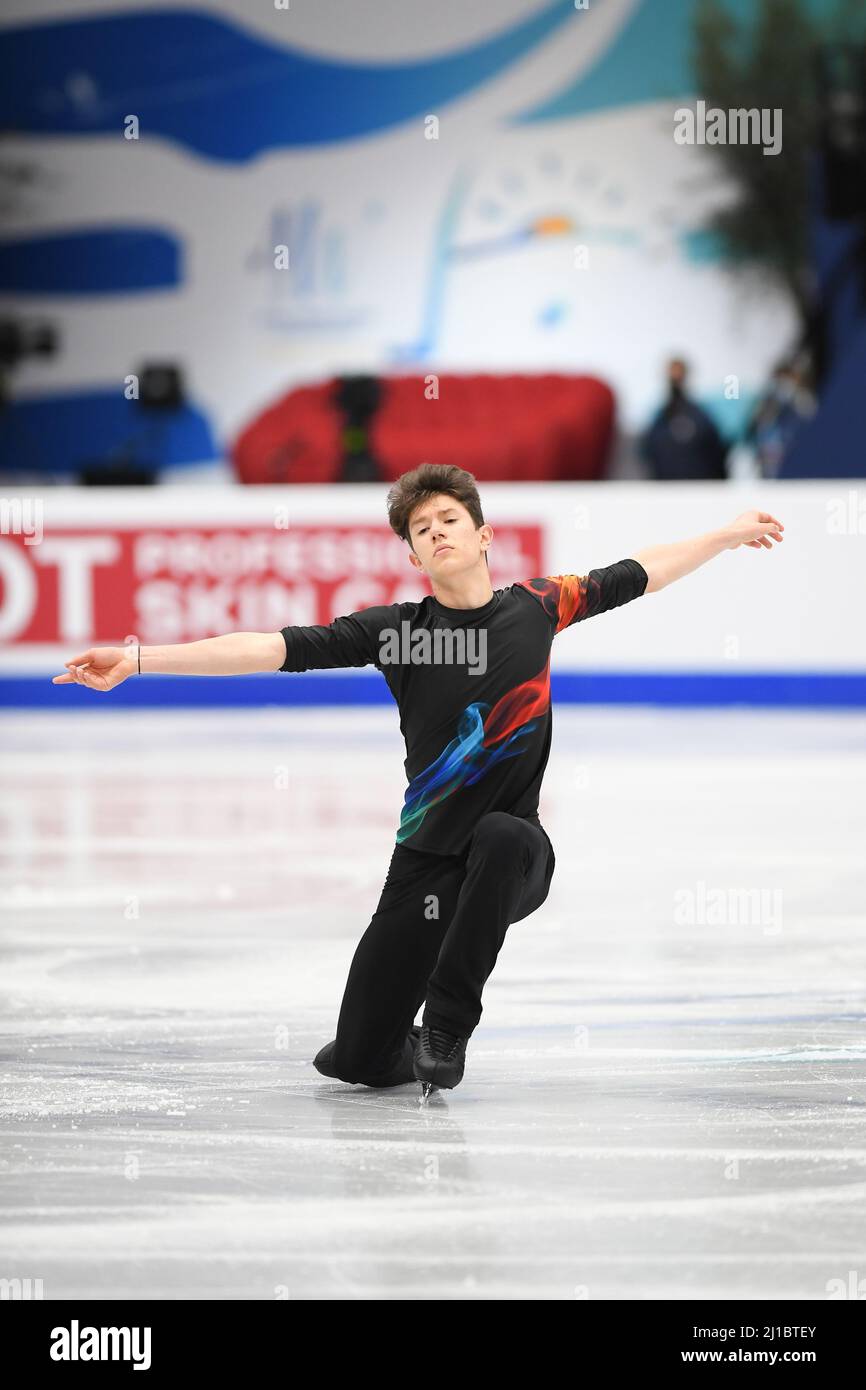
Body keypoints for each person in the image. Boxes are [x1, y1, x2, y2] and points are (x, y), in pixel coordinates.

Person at [53, 463, 784, 1094]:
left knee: (500, 835)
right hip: (425, 866)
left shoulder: (537, 607)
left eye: (449, 519)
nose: (436, 531)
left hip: (514, 858)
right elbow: (269, 647)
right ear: (412, 556)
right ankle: (391, 1041)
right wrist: (140, 658)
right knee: (359, 1062)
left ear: (483, 535)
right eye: (421, 529)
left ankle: (447, 1027)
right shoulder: (395, 631)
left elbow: (640, 572)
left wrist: (725, 535)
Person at [641, 357, 729, 480]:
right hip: (665, 490)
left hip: (699, 489)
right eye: (672, 376)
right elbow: (647, 454)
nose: (675, 380)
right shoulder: (659, 418)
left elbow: (717, 454)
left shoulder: (701, 417)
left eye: (678, 376)